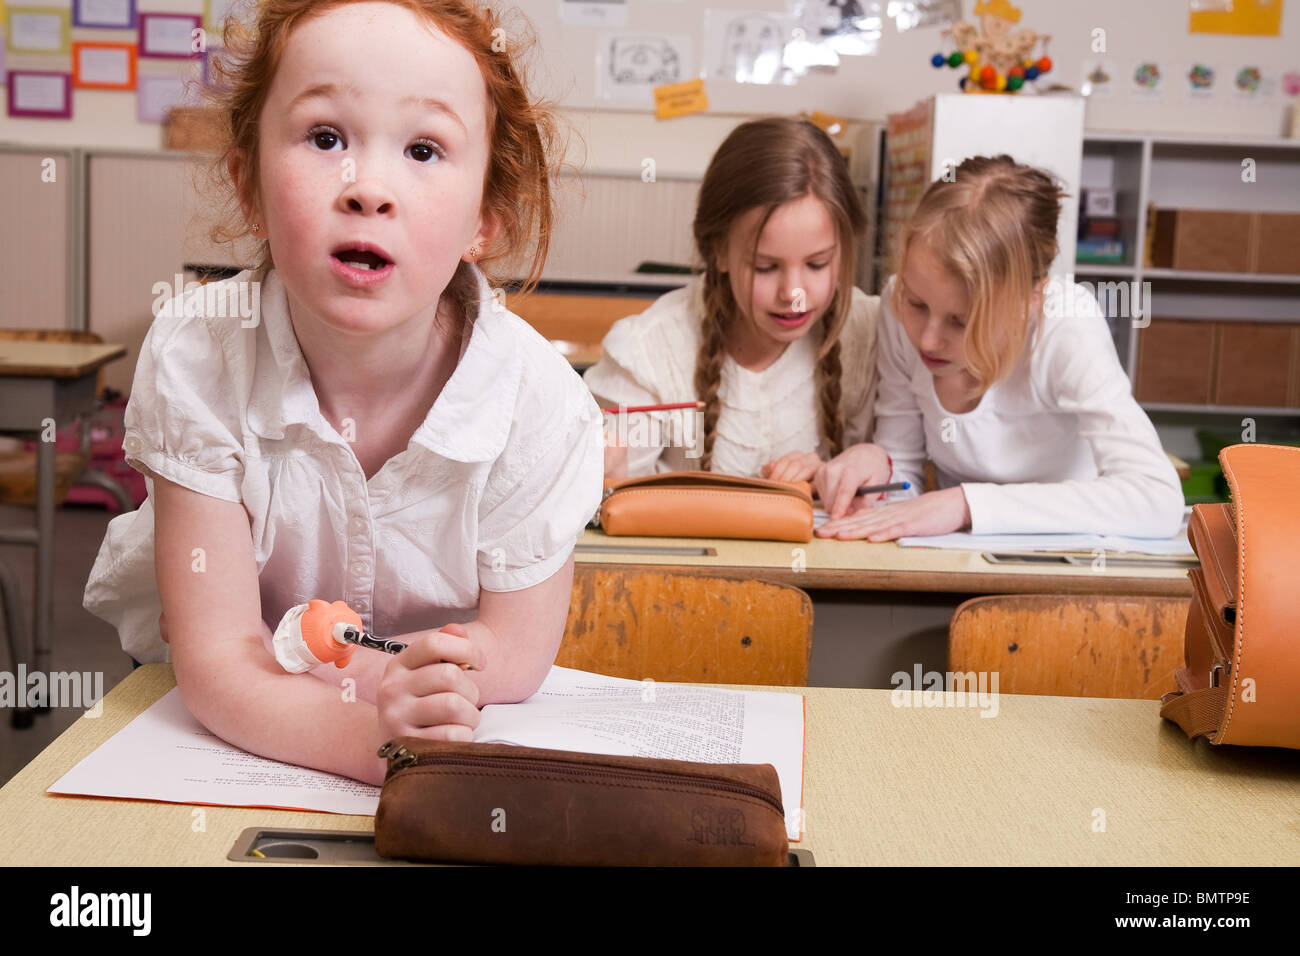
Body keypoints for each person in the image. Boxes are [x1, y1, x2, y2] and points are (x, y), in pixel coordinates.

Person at [82, 0, 602, 786]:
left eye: (424, 148)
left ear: (485, 218)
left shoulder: (539, 405)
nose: (369, 189)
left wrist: (451, 677)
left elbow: (517, 654)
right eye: (326, 138)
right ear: (249, 185)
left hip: (430, 725)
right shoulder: (197, 355)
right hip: (224, 722)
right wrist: (375, 741)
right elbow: (222, 664)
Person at [816, 154, 1184, 540]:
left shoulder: (1068, 327)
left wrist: (966, 505)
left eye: (962, 321)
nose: (927, 339)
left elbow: (1156, 499)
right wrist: (875, 475)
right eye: (917, 305)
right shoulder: (897, 303)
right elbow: (905, 477)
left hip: (1071, 566)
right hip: (961, 560)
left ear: (1033, 298)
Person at [584, 117, 879, 481]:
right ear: (720, 251)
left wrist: (841, 475)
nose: (793, 294)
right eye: (765, 267)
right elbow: (612, 500)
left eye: (818, 264)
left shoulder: (874, 332)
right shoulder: (648, 352)